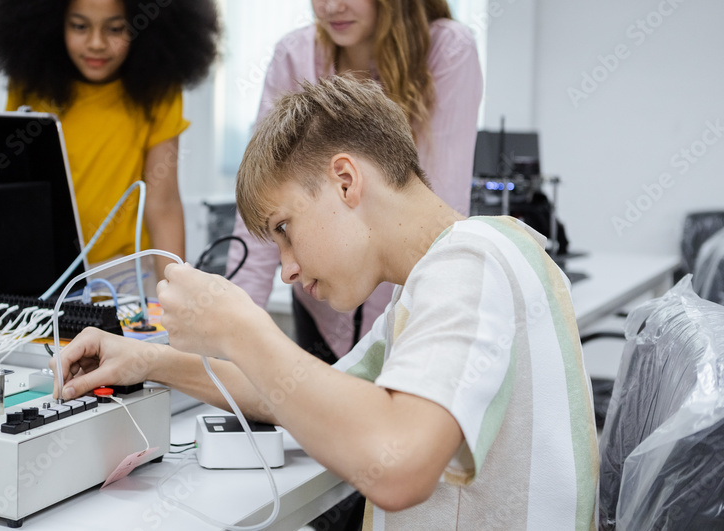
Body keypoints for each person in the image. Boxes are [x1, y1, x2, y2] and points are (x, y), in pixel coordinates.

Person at [56, 76, 599, 529]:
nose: (288, 268)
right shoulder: (447, 270)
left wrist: (242, 328)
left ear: (345, 181)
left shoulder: (470, 267)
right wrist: (151, 362)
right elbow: (298, 395)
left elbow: (399, 467)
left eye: (285, 228)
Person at [228, 0, 483, 363]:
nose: (332, 5)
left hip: (410, 304)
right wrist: (234, 333)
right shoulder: (295, 56)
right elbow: (264, 205)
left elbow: (441, 204)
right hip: (322, 295)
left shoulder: (448, 51)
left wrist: (419, 320)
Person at [0, 0, 220, 281]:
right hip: (45, 269)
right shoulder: (30, 83)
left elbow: (163, 201)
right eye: (79, 26)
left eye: (115, 28)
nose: (95, 43)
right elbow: (18, 190)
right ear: (52, 24)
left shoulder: (158, 89)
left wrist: (176, 293)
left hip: (126, 274)